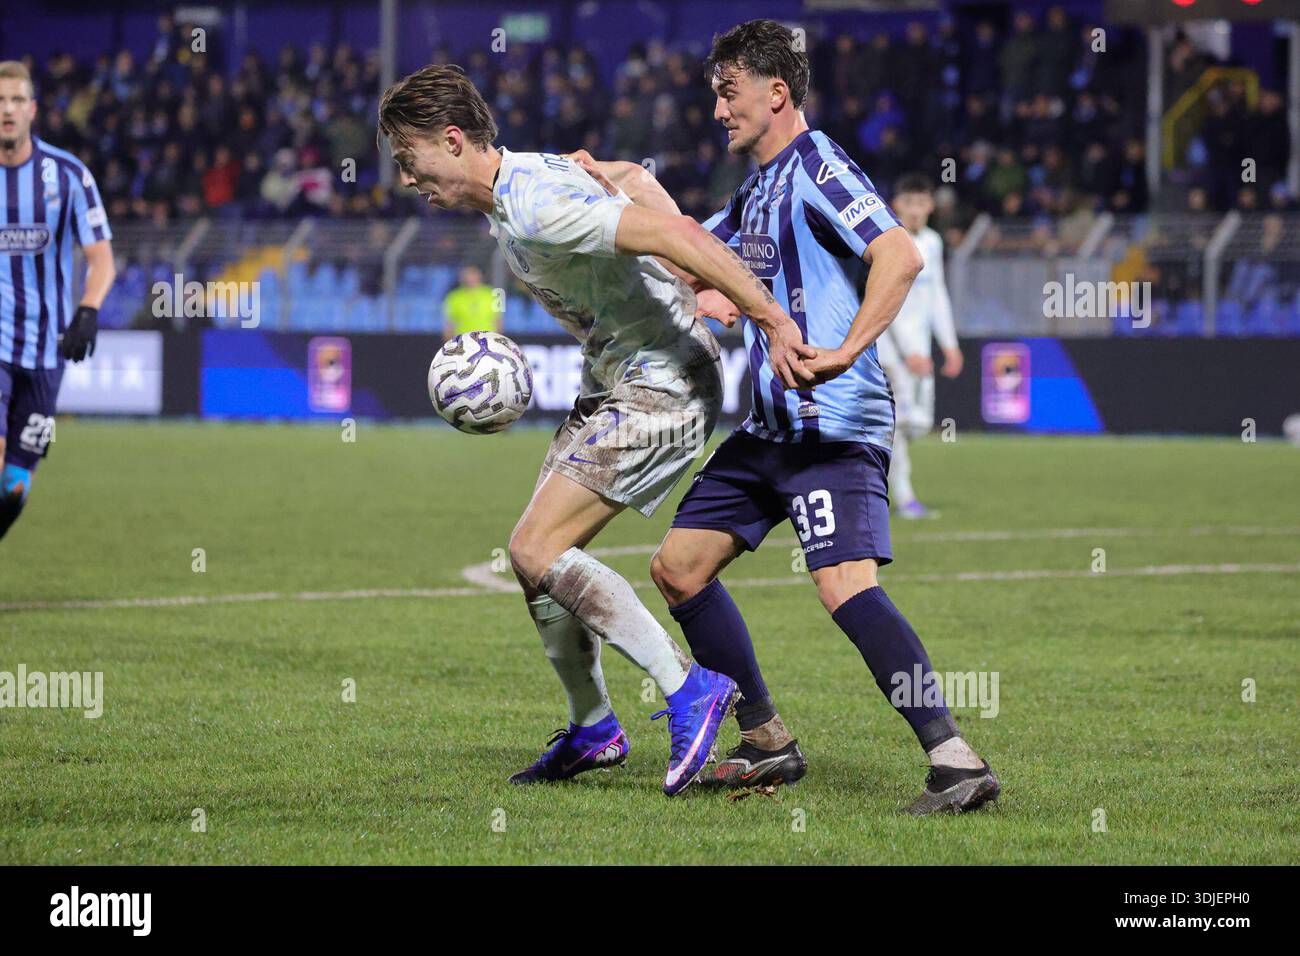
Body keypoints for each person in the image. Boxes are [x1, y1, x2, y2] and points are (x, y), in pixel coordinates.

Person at [577, 20, 997, 813]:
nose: (717, 111)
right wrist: (616, 186)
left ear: (776, 93)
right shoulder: (761, 187)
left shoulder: (817, 165)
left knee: (843, 586)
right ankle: (767, 739)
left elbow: (899, 254)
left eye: (728, 93)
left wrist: (845, 350)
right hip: (771, 429)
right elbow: (697, 260)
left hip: (831, 423)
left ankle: (956, 761)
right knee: (678, 567)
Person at [377, 64, 815, 796]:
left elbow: (669, 229)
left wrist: (766, 315)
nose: (405, 178)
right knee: (534, 559)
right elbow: (640, 195)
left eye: (407, 158)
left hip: (664, 386)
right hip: (619, 380)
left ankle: (689, 691)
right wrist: (693, 285)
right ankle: (593, 729)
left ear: (451, 140)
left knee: (535, 546)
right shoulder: (523, 184)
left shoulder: (537, 203)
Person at [0, 61, 116, 542]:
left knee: (14, 487)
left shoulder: (68, 176)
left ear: (33, 109)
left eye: (15, 101)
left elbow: (102, 259)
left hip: (48, 355)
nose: (6, 110)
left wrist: (87, 310)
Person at [876, 173, 963, 519]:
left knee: (918, 423)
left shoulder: (933, 243)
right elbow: (884, 299)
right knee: (899, 421)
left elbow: (938, 295)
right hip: (891, 347)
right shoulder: (888, 241)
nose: (914, 211)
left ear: (930, 206)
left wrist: (950, 345)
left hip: (921, 350)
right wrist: (905, 352)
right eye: (908, 203)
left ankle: (873, 461)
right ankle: (904, 496)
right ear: (897, 206)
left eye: (920, 203)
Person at [442, 264, 499, 339]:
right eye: (467, 275)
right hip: (463, 342)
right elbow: (449, 324)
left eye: (473, 274)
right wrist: (449, 345)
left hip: (487, 340)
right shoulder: (453, 297)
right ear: (462, 278)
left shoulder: (494, 294)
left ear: (480, 276)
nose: (470, 278)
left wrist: (497, 342)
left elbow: (498, 321)